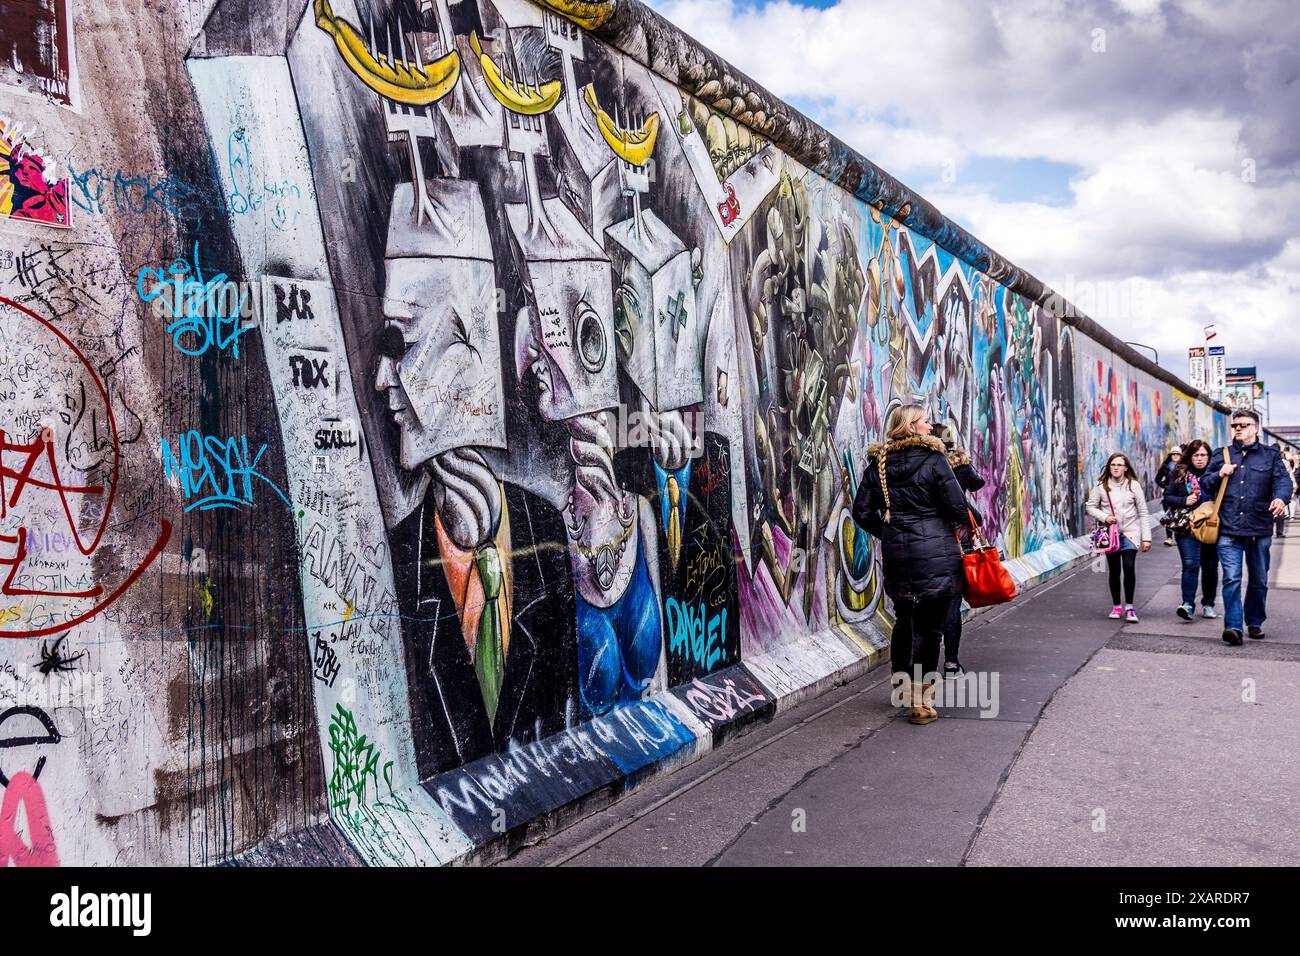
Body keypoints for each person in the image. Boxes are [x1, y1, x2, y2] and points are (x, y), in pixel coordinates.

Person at [853, 405, 969, 725]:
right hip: (934, 555)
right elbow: (958, 506)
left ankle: (901, 688)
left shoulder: (879, 463)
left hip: (899, 558)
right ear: (912, 427)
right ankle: (920, 703)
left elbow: (861, 511)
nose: (931, 426)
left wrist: (889, 532)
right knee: (930, 629)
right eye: (925, 421)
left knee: (905, 619)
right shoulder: (934, 460)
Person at [1202, 410, 1294, 645]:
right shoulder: (1222, 454)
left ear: (1256, 428)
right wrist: (1219, 473)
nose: (1238, 429)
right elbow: (1204, 482)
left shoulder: (1270, 456)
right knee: (1232, 578)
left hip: (1259, 528)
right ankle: (1233, 626)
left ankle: (1254, 621)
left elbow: (1283, 481)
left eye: (1243, 424)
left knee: (1258, 579)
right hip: (1229, 529)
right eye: (1234, 425)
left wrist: (1281, 499)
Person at [933, 424, 986, 677]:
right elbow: (976, 486)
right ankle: (951, 664)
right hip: (956, 541)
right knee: (952, 603)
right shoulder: (956, 467)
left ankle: (917, 674)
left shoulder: (922, 466)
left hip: (925, 544)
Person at [1086, 453, 1152, 622]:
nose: (1115, 467)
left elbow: (1143, 512)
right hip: (1111, 535)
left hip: (1130, 533)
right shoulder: (1101, 486)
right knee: (1114, 571)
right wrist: (1105, 517)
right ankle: (1116, 606)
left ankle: (1129, 607)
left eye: (1119, 465)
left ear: (1125, 468)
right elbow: (1090, 506)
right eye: (1112, 465)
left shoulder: (1134, 486)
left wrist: (1146, 538)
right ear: (1109, 467)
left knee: (1129, 567)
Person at [1162, 439, 1218, 620]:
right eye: (1196, 455)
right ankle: (1187, 604)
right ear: (1190, 457)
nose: (1200, 459)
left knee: (1210, 566)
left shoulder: (1216, 475)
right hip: (1187, 526)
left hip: (1210, 525)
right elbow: (1167, 497)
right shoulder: (1180, 473)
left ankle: (1208, 603)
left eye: (1203, 455)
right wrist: (1184, 501)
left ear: (1209, 457)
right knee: (1190, 565)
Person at [1155, 445, 1182, 546]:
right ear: (1170, 455)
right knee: (1168, 515)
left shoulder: (1184, 466)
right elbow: (1158, 479)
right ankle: (1169, 538)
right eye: (1173, 454)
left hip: (1180, 496)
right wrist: (1166, 486)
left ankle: (1180, 537)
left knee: (1179, 516)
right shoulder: (1166, 466)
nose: (1175, 456)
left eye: (1177, 454)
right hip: (1168, 496)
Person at [1276, 449, 1297, 538]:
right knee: (1280, 510)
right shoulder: (1285, 462)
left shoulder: (1263, 460)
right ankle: (1279, 531)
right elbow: (1290, 475)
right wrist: (1294, 486)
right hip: (1280, 489)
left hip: (1269, 489)